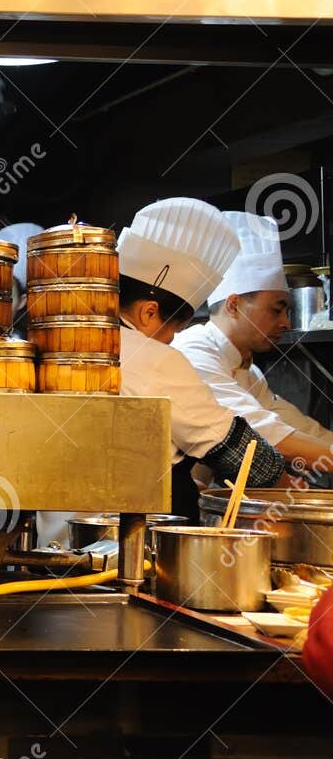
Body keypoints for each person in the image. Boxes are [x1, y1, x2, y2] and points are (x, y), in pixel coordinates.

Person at [116, 198, 287, 519]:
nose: (172, 340)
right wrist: (290, 488)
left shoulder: (88, 341)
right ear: (148, 312)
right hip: (139, 542)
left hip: (70, 533)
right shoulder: (153, 356)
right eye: (173, 329)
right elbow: (233, 449)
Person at [173, 211, 333, 481]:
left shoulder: (248, 372)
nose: (285, 323)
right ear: (234, 305)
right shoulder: (194, 352)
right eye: (276, 310)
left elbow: (291, 425)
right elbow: (260, 433)